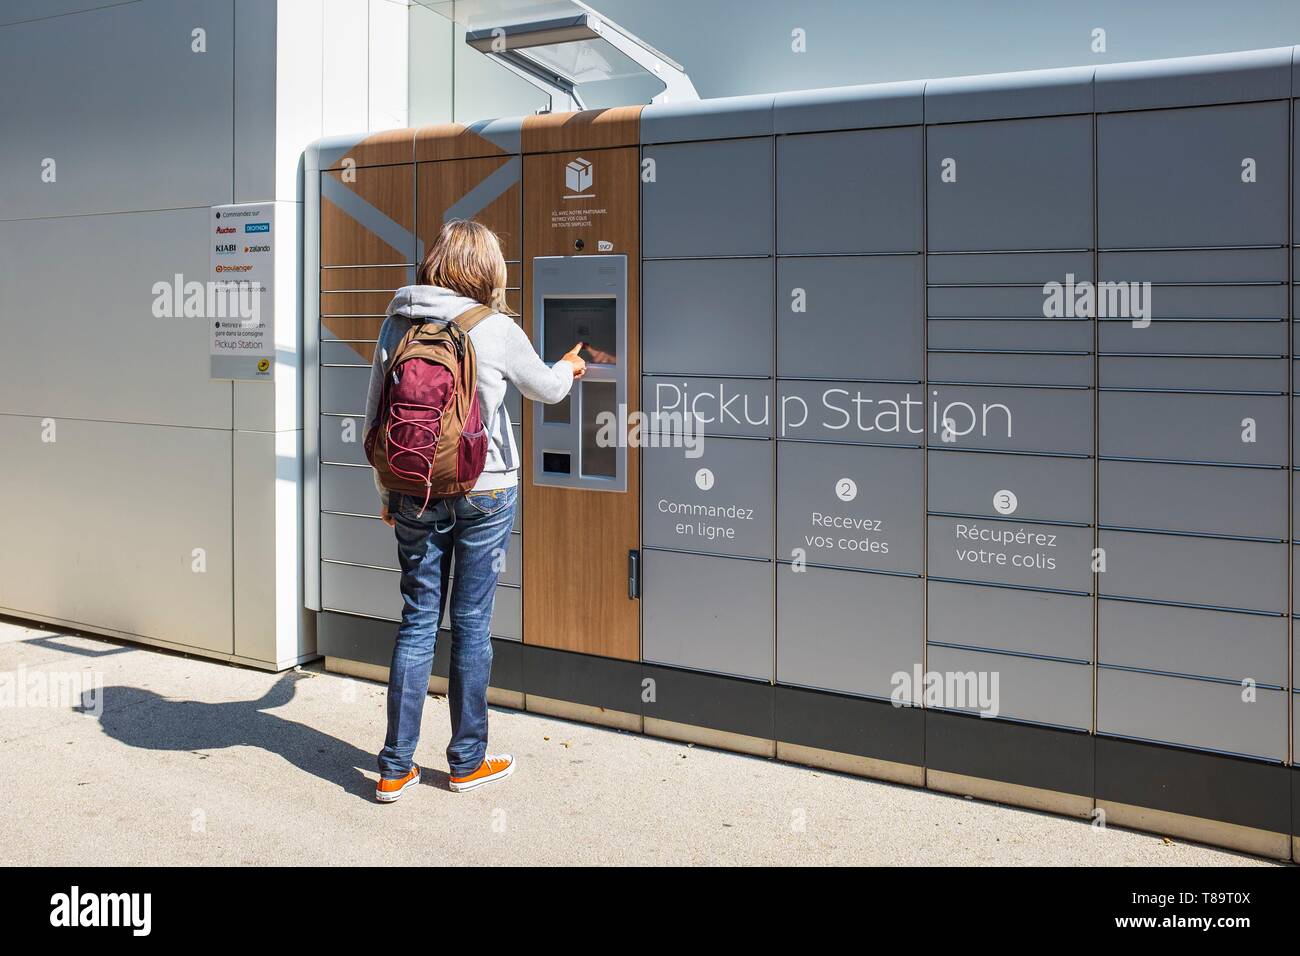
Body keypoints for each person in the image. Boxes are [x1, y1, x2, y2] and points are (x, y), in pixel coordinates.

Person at [366, 219, 585, 802]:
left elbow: (375, 414)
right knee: (471, 622)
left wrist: (388, 490)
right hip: (486, 488)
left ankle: (394, 766)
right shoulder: (495, 327)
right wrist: (570, 366)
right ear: (488, 269)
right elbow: (548, 389)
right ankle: (466, 760)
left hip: (415, 486)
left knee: (416, 620)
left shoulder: (398, 320)